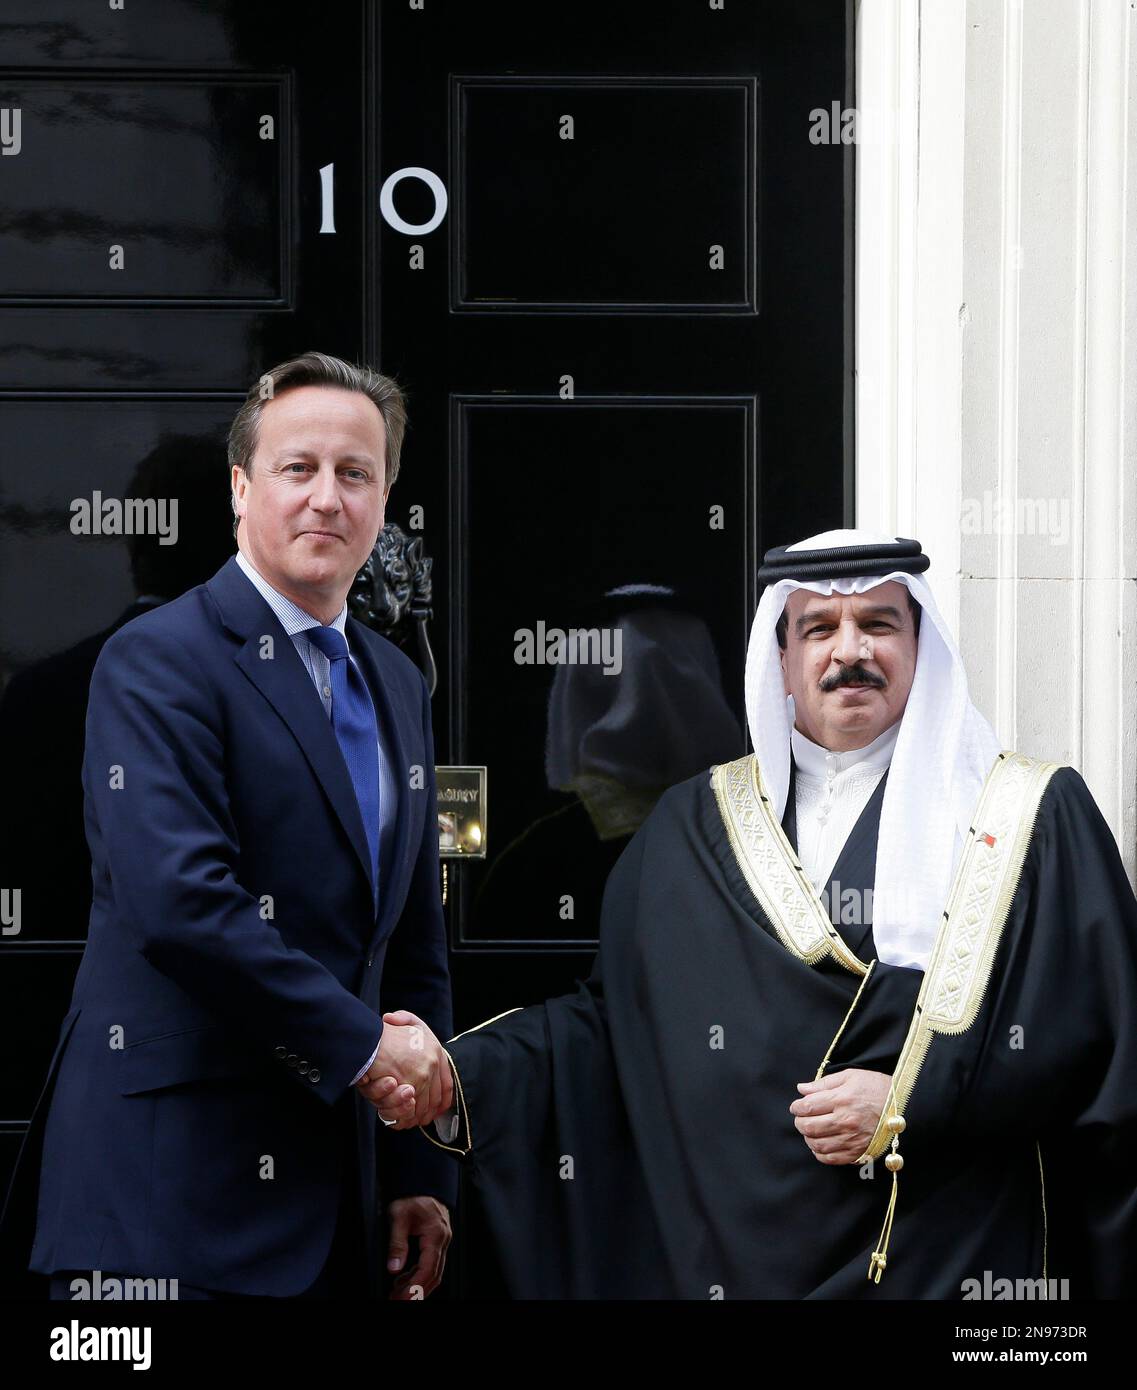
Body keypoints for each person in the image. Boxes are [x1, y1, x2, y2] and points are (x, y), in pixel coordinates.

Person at [392, 529, 1137, 1299]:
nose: (849, 651)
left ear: (922, 646)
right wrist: (455, 1075)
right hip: (737, 1263)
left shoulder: (1032, 815)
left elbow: (1100, 1051)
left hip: (956, 1257)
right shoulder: (692, 828)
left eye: (879, 624)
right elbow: (613, 1034)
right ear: (780, 659)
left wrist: (913, 1101)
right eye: (818, 629)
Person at [0, 351, 455, 1300]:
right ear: (242, 490)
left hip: (341, 1210)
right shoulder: (158, 661)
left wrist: (416, 1170)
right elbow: (179, 906)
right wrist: (370, 1053)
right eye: (298, 469)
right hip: (168, 1210)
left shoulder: (397, 681)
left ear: (383, 501)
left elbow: (409, 941)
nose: (326, 498)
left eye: (355, 474)